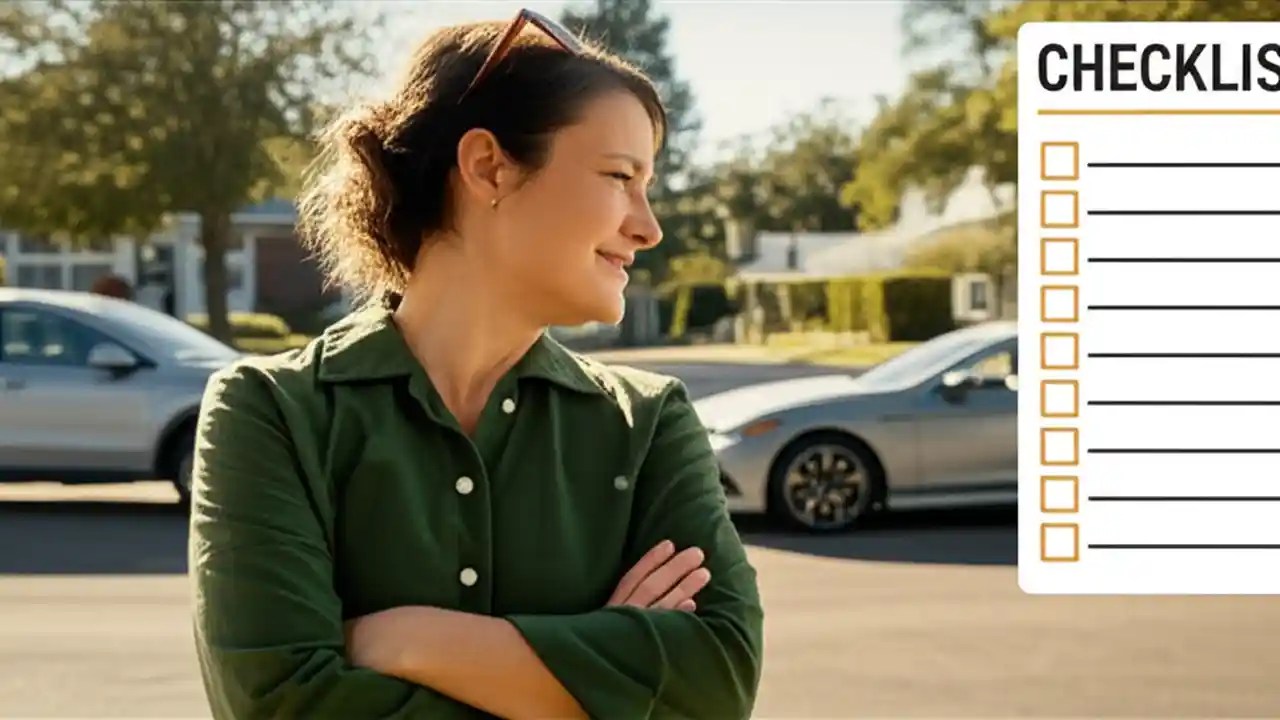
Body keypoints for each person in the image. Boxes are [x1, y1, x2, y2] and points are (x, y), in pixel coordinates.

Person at [188, 9, 764, 720]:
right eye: (620, 176)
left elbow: (717, 684)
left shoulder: (649, 424)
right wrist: (599, 681)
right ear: (489, 166)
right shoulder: (270, 412)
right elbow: (281, 706)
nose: (648, 227)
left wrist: (409, 640)